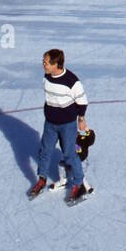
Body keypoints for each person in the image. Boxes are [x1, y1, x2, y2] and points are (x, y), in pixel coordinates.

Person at [26, 49, 91, 204]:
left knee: (69, 154)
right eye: (43, 61)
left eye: (46, 62)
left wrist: (81, 119)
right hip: (50, 123)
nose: (43, 65)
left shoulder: (72, 81)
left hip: (67, 124)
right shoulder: (47, 77)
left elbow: (82, 101)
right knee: (44, 150)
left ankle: (79, 184)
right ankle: (42, 179)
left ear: (56, 64)